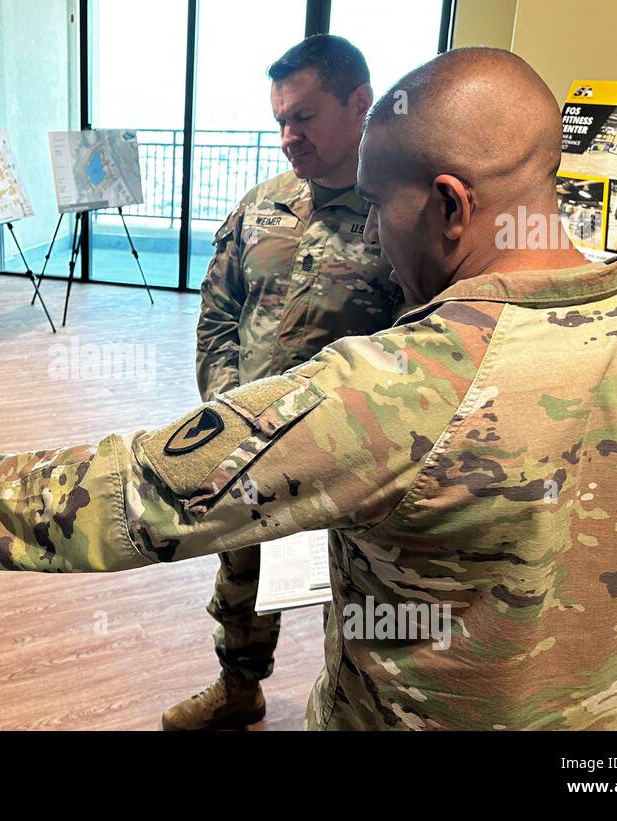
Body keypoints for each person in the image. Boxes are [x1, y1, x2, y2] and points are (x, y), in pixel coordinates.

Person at [0, 48, 617, 730]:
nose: (370, 226)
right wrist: (595, 629)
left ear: (451, 205)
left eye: (379, 205)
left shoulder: (404, 387)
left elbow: (147, 493)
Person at [178, 34, 400, 730]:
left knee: (356, 591)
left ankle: (342, 707)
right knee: (239, 568)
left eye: (302, 117)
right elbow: (218, 312)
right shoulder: (263, 204)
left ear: (359, 103)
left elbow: (425, 339)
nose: (286, 137)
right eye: (278, 120)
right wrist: (222, 407)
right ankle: (237, 686)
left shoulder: (403, 214)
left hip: (353, 452)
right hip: (250, 440)